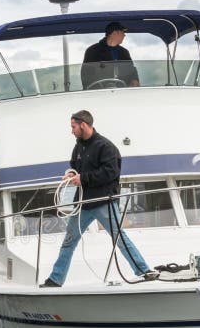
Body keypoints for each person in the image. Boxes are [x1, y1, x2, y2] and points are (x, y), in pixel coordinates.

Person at [40, 110, 155, 288]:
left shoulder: (106, 147)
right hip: (83, 206)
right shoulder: (78, 146)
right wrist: (71, 174)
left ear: (83, 125)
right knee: (68, 242)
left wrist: (83, 179)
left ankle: (144, 271)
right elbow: (75, 167)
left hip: (104, 204)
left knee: (120, 239)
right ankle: (55, 279)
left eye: (73, 127)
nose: (71, 131)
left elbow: (111, 173)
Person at [81, 22, 140, 90]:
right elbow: (86, 75)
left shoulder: (124, 52)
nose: (124, 35)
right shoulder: (92, 51)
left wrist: (135, 80)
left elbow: (132, 71)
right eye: (122, 33)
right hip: (100, 93)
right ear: (114, 33)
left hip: (122, 92)